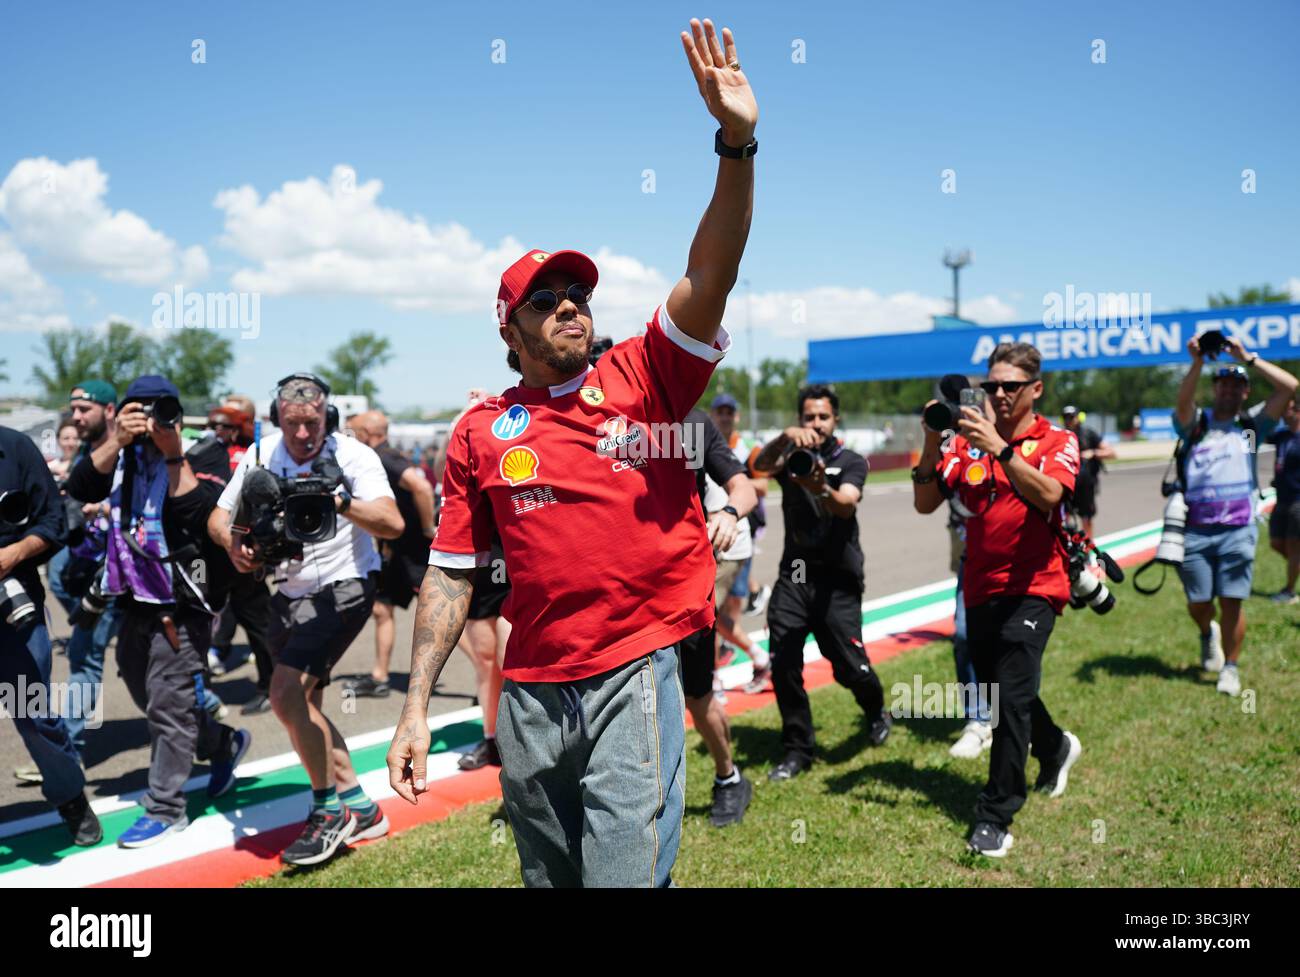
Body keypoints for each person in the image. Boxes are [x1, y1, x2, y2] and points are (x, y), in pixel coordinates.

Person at [386, 17, 756, 888]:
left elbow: (712, 273)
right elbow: (448, 573)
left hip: (635, 672)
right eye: (545, 297)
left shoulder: (645, 374)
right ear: (509, 329)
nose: (569, 305)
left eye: (578, 293)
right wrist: (411, 708)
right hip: (531, 689)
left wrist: (735, 144)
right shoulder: (481, 430)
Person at [211, 372, 403, 865]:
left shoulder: (353, 454)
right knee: (306, 707)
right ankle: (361, 806)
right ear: (278, 418)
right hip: (288, 591)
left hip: (346, 585)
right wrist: (235, 544)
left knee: (284, 694)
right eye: (293, 423)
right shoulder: (260, 453)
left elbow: (393, 522)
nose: (302, 434)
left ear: (327, 416)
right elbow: (218, 515)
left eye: (312, 422)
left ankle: (327, 813)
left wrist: (338, 500)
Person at [65, 375, 251, 848]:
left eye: (159, 411)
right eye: (138, 411)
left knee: (168, 705)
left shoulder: (203, 451)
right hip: (133, 598)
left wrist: (172, 453)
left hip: (182, 602)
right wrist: (119, 441)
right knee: (143, 690)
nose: (150, 421)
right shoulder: (117, 453)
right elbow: (81, 487)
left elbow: (197, 511)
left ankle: (167, 808)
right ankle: (221, 742)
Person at [912, 342, 1083, 858]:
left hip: (1037, 587)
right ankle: (1055, 747)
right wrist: (929, 440)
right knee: (1009, 692)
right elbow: (924, 502)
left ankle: (995, 815)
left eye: (1011, 386)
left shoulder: (1056, 438)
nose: (1000, 395)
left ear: (1036, 389)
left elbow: (1052, 494)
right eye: (993, 386)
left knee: (1008, 695)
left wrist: (1001, 450)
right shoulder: (962, 446)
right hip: (980, 587)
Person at [752, 384, 890, 781]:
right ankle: (798, 748)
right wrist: (783, 438)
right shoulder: (791, 456)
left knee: (850, 667)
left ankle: (875, 709)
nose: (816, 423)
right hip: (794, 576)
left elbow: (846, 505)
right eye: (809, 417)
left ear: (835, 419)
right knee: (784, 663)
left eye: (823, 416)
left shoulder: (851, 460)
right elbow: (759, 465)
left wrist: (821, 488)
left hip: (838, 579)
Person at [1172, 337, 1298, 695]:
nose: (1229, 391)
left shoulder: (1251, 425)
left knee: (1231, 600)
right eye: (1223, 384)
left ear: (1245, 392)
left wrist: (1247, 357)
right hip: (1196, 529)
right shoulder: (1196, 423)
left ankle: (1230, 667)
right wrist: (1196, 362)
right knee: (1198, 602)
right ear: (1214, 389)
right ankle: (1206, 632)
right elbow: (1182, 401)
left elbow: (1290, 387)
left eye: (1236, 385)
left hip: (1238, 529)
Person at [1, 423, 103, 846]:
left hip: (13, 612)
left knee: (33, 714)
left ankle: (70, 796)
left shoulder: (15, 448)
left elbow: (54, 521)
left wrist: (12, 554)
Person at [18, 382, 122, 784]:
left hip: (117, 576)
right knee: (140, 664)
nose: (76, 416)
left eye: (85, 408)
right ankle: (209, 717)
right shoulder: (83, 451)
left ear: (109, 410)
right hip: (85, 571)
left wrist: (104, 506)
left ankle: (67, 754)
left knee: (85, 658)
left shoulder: (125, 451)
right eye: (73, 409)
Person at [678, 406, 757, 826]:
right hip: (621, 589)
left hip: (684, 582)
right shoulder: (602, 417)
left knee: (697, 693)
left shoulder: (692, 422)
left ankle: (728, 777)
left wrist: (729, 513)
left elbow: (744, 487)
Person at [343, 409, 437, 698]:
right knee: (381, 609)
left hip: (412, 551)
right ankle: (380, 677)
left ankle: (488, 672)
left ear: (369, 434)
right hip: (393, 551)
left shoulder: (384, 456)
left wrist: (427, 528)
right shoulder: (373, 458)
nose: (349, 437)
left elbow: (421, 486)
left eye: (353, 431)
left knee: (440, 612)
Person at [205, 397, 275, 715]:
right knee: (200, 616)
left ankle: (271, 686)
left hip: (248, 551)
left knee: (259, 621)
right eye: (215, 424)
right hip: (211, 549)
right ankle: (195, 683)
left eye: (228, 424)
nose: (219, 430)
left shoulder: (260, 453)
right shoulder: (204, 452)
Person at [709, 392, 773, 687]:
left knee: (720, 614)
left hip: (739, 535)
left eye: (728, 412)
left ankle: (715, 678)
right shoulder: (705, 442)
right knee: (718, 615)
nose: (723, 416)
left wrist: (736, 479)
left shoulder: (748, 448)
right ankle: (748, 657)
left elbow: (764, 485)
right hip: (713, 536)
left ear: (736, 416)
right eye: (719, 411)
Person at [1061, 406, 1115, 537]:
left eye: (1072, 417)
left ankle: (1088, 548)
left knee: (1086, 517)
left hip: (1086, 485)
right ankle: (1067, 546)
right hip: (1067, 484)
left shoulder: (1089, 434)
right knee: (1064, 517)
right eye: (1066, 417)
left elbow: (1111, 453)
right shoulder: (1060, 436)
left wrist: (1093, 453)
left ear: (1079, 417)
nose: (1069, 420)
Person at [1266, 396, 1300, 604]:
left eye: (1285, 409)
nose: (1281, 413)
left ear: (1297, 411)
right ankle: (1294, 568)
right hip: (1281, 498)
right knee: (1276, 543)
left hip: (1299, 500)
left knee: (1294, 545)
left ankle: (1289, 591)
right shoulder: (1282, 435)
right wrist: (1247, 423)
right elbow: (1252, 441)